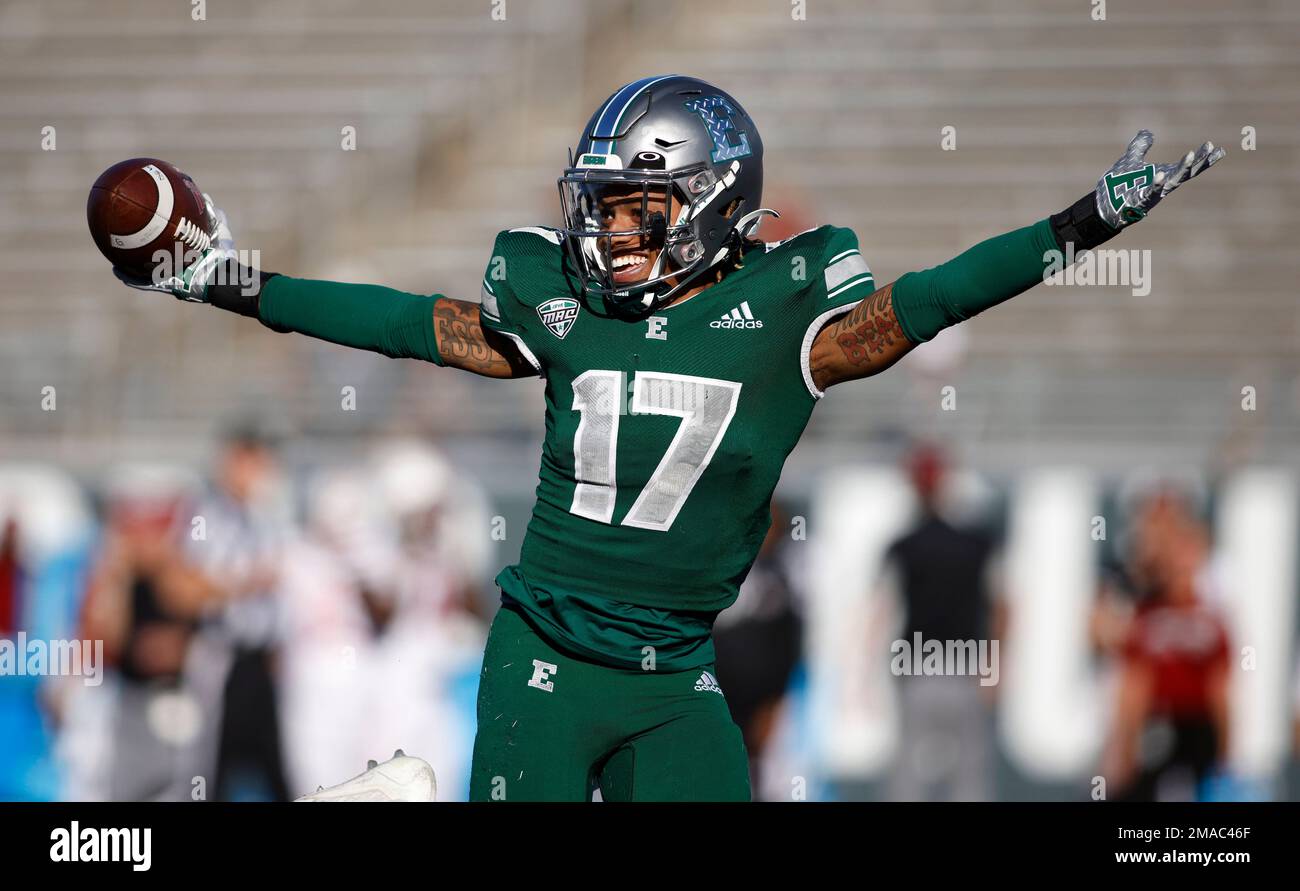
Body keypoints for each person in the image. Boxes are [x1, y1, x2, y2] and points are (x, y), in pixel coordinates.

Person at [113, 75, 1223, 801]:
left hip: (674, 676)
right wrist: (233, 282)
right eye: (599, 206)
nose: (604, 230)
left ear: (709, 199)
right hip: (545, 657)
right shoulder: (563, 306)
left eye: (633, 209)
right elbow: (410, 324)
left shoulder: (792, 322)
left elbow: (926, 301)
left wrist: (1078, 227)